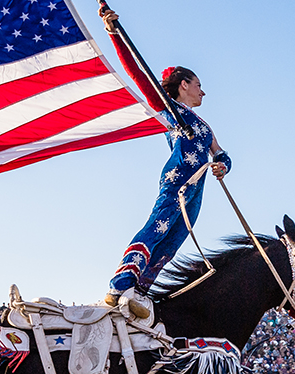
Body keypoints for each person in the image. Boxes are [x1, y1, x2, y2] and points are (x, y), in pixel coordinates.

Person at [100, 8, 231, 319]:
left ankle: (140, 292)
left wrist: (223, 165)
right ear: (183, 84)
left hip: (198, 186)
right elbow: (138, 75)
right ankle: (121, 281)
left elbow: (221, 153)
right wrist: (114, 34)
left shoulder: (205, 125)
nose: (203, 90)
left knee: (175, 237)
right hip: (178, 178)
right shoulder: (170, 109)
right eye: (198, 84)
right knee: (158, 225)